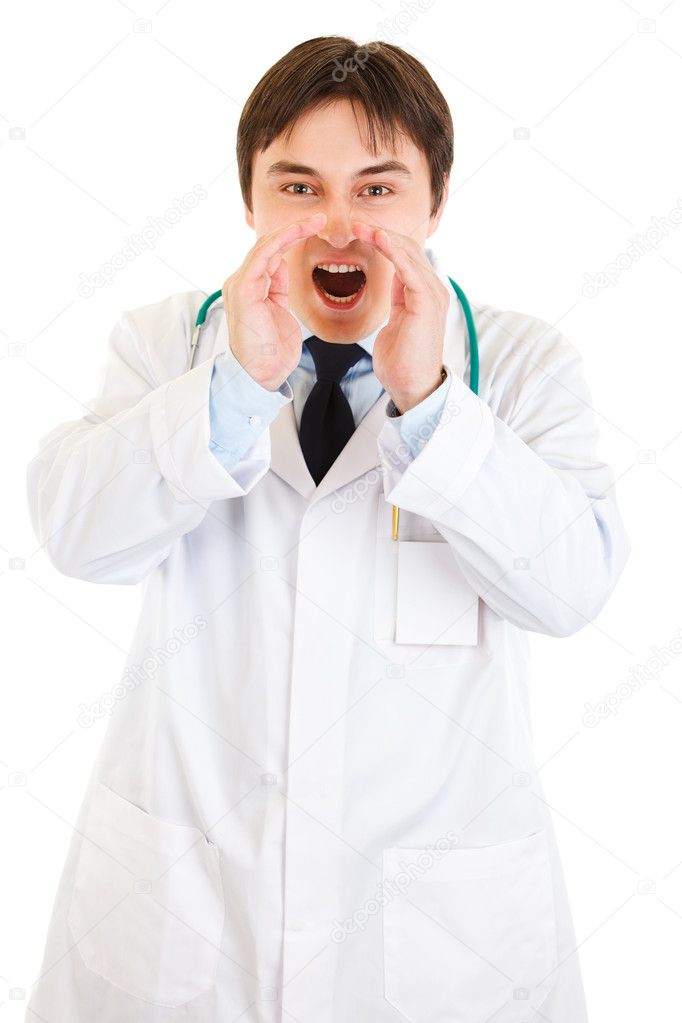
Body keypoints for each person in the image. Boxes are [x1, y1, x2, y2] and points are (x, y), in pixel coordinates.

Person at [25, 35, 630, 1023]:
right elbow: (78, 534)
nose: (339, 226)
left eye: (377, 189)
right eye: (299, 187)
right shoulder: (167, 344)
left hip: (437, 947)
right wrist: (234, 387)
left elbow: (569, 589)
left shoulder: (521, 367)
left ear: (436, 202)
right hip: (189, 925)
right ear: (251, 201)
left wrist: (431, 406)